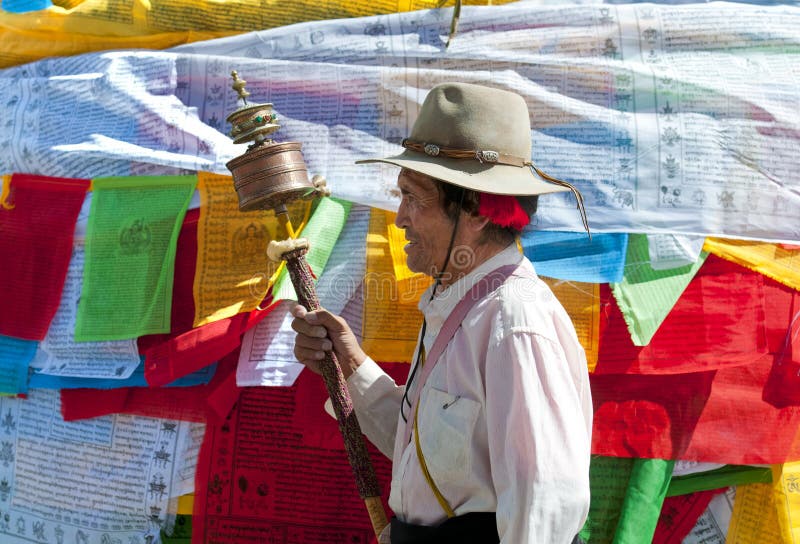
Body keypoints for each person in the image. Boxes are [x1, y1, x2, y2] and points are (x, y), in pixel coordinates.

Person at [291, 82, 592, 543]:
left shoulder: (515, 325)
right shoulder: (461, 306)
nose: (400, 218)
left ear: (474, 211)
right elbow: (430, 458)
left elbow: (543, 508)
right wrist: (349, 366)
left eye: (414, 198)